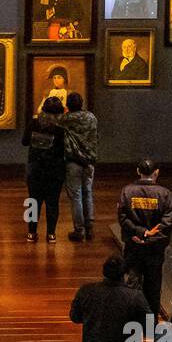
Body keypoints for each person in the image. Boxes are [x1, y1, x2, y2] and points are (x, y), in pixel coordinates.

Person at [118, 158, 172, 316]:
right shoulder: (165, 194)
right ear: (157, 173)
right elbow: (166, 223)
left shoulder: (127, 191)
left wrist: (139, 234)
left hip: (133, 245)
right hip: (155, 249)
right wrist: (149, 238)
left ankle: (130, 320)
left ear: (138, 171)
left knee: (132, 282)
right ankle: (151, 325)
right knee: (153, 286)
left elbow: (123, 219)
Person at [22, 96, 67, 243]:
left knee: (33, 202)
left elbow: (24, 141)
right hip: (54, 171)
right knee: (52, 203)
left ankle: (31, 233)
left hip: (35, 169)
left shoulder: (34, 123)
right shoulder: (60, 129)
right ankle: (51, 234)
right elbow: (63, 150)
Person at [61, 91, 98, 242]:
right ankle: (90, 228)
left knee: (76, 195)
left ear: (68, 104)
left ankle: (79, 230)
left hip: (73, 160)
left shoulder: (66, 119)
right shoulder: (91, 117)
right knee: (87, 192)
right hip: (89, 161)